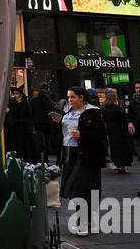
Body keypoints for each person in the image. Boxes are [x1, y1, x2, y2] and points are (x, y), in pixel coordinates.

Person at [58, 87, 105, 235]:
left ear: (81, 97)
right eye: (68, 97)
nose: (70, 100)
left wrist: (82, 135)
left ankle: (84, 222)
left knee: (81, 188)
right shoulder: (67, 112)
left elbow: (101, 134)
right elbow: (62, 134)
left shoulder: (93, 112)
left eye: (73, 97)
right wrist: (56, 123)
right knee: (74, 188)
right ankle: (87, 220)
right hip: (69, 153)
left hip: (86, 154)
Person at [100, 88, 132, 174]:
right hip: (119, 129)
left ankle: (115, 163)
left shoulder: (104, 109)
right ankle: (122, 166)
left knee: (112, 146)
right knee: (122, 147)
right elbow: (123, 119)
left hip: (109, 129)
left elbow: (103, 119)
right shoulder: (118, 109)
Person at [4, 86, 39, 163]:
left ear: (21, 95)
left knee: (23, 145)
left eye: (17, 93)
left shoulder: (25, 103)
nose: (15, 95)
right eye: (14, 93)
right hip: (15, 129)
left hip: (23, 129)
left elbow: (28, 117)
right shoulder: (13, 103)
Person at [28, 87, 56, 165]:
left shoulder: (33, 101)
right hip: (46, 125)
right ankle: (44, 160)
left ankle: (41, 160)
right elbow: (52, 112)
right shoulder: (49, 101)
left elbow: (31, 113)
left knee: (41, 143)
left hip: (39, 125)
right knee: (45, 143)